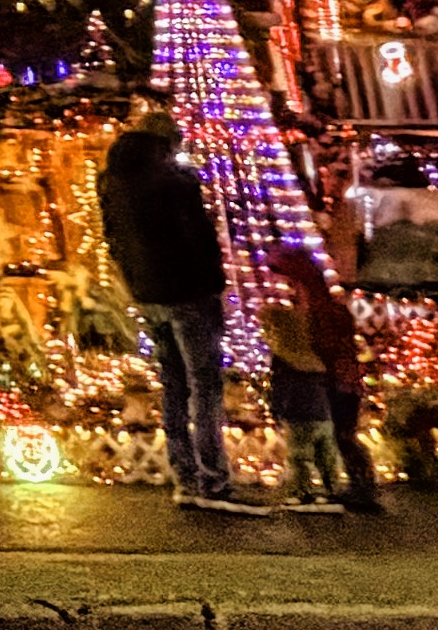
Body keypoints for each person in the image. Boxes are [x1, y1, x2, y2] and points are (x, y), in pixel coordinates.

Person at [92, 103, 248, 512]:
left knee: (173, 383)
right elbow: (197, 237)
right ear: (166, 144)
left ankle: (186, 477)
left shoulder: (111, 181)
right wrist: (214, 283)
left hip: (147, 294)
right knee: (205, 385)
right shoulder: (174, 183)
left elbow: (113, 238)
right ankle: (214, 479)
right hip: (189, 292)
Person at [265, 242, 382, 515]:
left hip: (337, 382)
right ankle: (350, 485)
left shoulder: (321, 310)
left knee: (342, 436)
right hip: (336, 381)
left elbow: (326, 348)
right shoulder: (319, 306)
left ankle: (361, 486)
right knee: (337, 436)